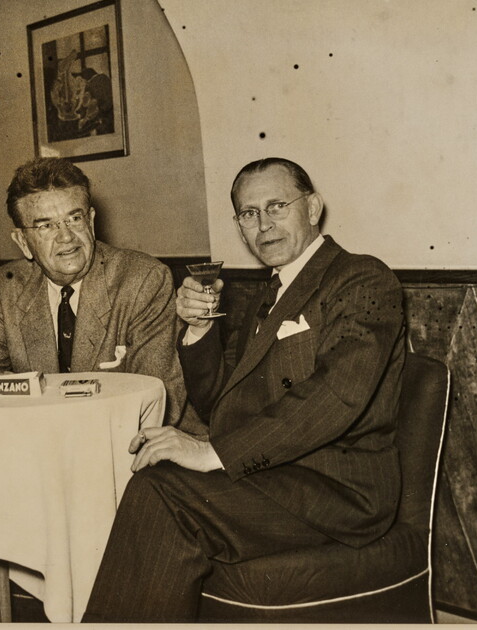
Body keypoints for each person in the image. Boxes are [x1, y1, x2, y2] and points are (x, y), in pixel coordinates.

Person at [83, 157, 407, 622]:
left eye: (277, 205)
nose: (263, 224)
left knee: (162, 495)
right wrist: (197, 330)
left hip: (336, 492)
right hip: (272, 475)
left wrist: (212, 453)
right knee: (149, 481)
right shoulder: (265, 292)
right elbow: (222, 403)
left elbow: (338, 395)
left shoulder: (361, 277)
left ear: (313, 208)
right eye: (248, 214)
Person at [0, 156, 195, 429]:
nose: (66, 237)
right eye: (46, 225)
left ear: (91, 221)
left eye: (74, 219)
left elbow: (157, 403)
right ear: (23, 242)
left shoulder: (142, 279)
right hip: (45, 442)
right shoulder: (7, 287)